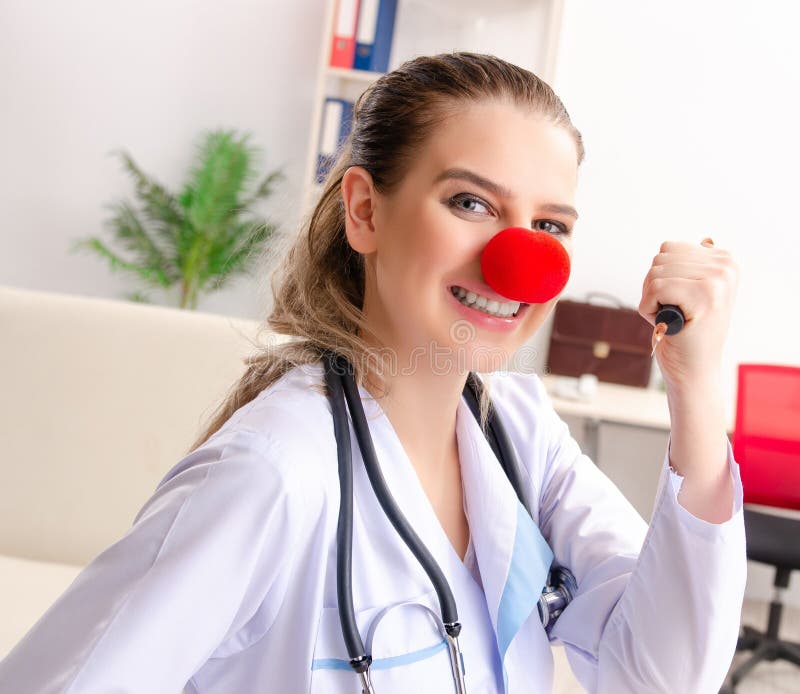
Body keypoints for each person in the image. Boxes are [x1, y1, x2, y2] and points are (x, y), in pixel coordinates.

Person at [0, 52, 745, 693]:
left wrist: (697, 389)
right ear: (364, 211)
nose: (518, 260)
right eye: (471, 202)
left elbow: (662, 676)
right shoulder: (275, 472)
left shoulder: (523, 436)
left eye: (549, 226)